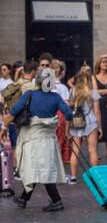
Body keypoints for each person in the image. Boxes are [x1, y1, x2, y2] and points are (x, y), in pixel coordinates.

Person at [4, 69, 74, 211]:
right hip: (48, 140)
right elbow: (68, 114)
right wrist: (67, 131)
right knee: (41, 169)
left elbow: (13, 111)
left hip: (32, 138)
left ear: (38, 80)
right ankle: (25, 199)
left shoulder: (30, 95)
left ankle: (55, 201)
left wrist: (4, 128)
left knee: (37, 169)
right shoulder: (56, 97)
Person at [66, 69, 100, 182]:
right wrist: (100, 127)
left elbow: (68, 109)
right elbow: (97, 111)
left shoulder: (73, 91)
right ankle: (96, 176)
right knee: (93, 150)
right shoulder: (92, 91)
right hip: (91, 121)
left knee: (75, 150)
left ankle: (73, 177)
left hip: (77, 121)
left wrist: (67, 129)